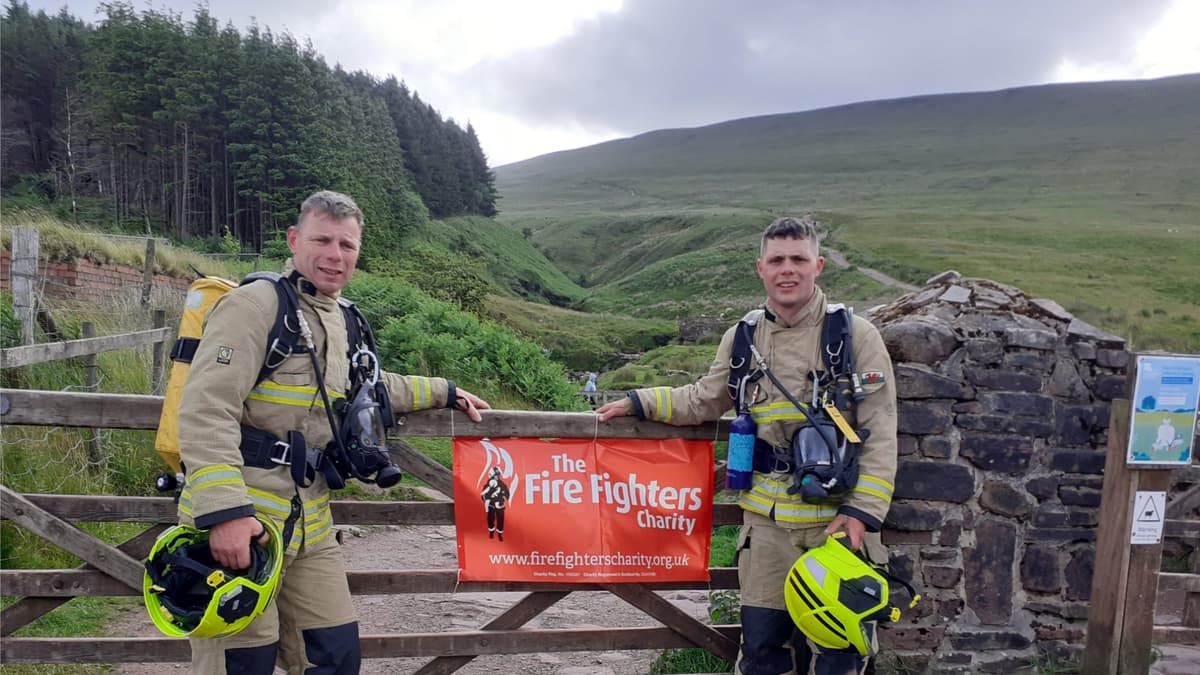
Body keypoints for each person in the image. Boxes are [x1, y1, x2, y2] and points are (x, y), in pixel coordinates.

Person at [176, 190, 490, 674]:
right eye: (323, 239)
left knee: (336, 657)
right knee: (242, 664)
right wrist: (225, 514)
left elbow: (362, 385)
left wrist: (443, 390)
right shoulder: (255, 306)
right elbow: (204, 408)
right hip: (247, 518)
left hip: (310, 523)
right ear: (294, 239)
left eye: (347, 245)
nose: (335, 255)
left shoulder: (340, 315)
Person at [597, 215, 898, 675]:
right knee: (762, 652)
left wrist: (861, 514)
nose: (788, 269)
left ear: (818, 266)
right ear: (761, 268)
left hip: (836, 527)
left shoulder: (856, 336)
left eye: (798, 259)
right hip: (767, 527)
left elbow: (881, 428)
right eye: (777, 260)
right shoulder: (743, 338)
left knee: (840, 657)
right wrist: (639, 402)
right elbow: (702, 398)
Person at [481, 466, 511, 541]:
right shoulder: (488, 485)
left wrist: (503, 497)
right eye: (496, 475)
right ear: (492, 475)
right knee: (490, 518)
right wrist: (488, 499)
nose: (497, 477)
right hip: (491, 505)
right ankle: (491, 532)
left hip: (500, 505)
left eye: (498, 475)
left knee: (500, 519)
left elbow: (507, 493)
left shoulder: (502, 484)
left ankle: (500, 534)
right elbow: (483, 495)